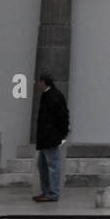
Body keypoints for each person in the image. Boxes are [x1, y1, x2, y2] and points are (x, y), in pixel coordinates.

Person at [33, 71, 69, 203]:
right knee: (42, 165)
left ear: (43, 82)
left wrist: (60, 133)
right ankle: (47, 191)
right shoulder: (50, 94)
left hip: (50, 137)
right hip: (47, 137)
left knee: (52, 165)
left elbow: (61, 116)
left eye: (39, 81)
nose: (37, 83)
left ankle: (52, 193)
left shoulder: (53, 96)